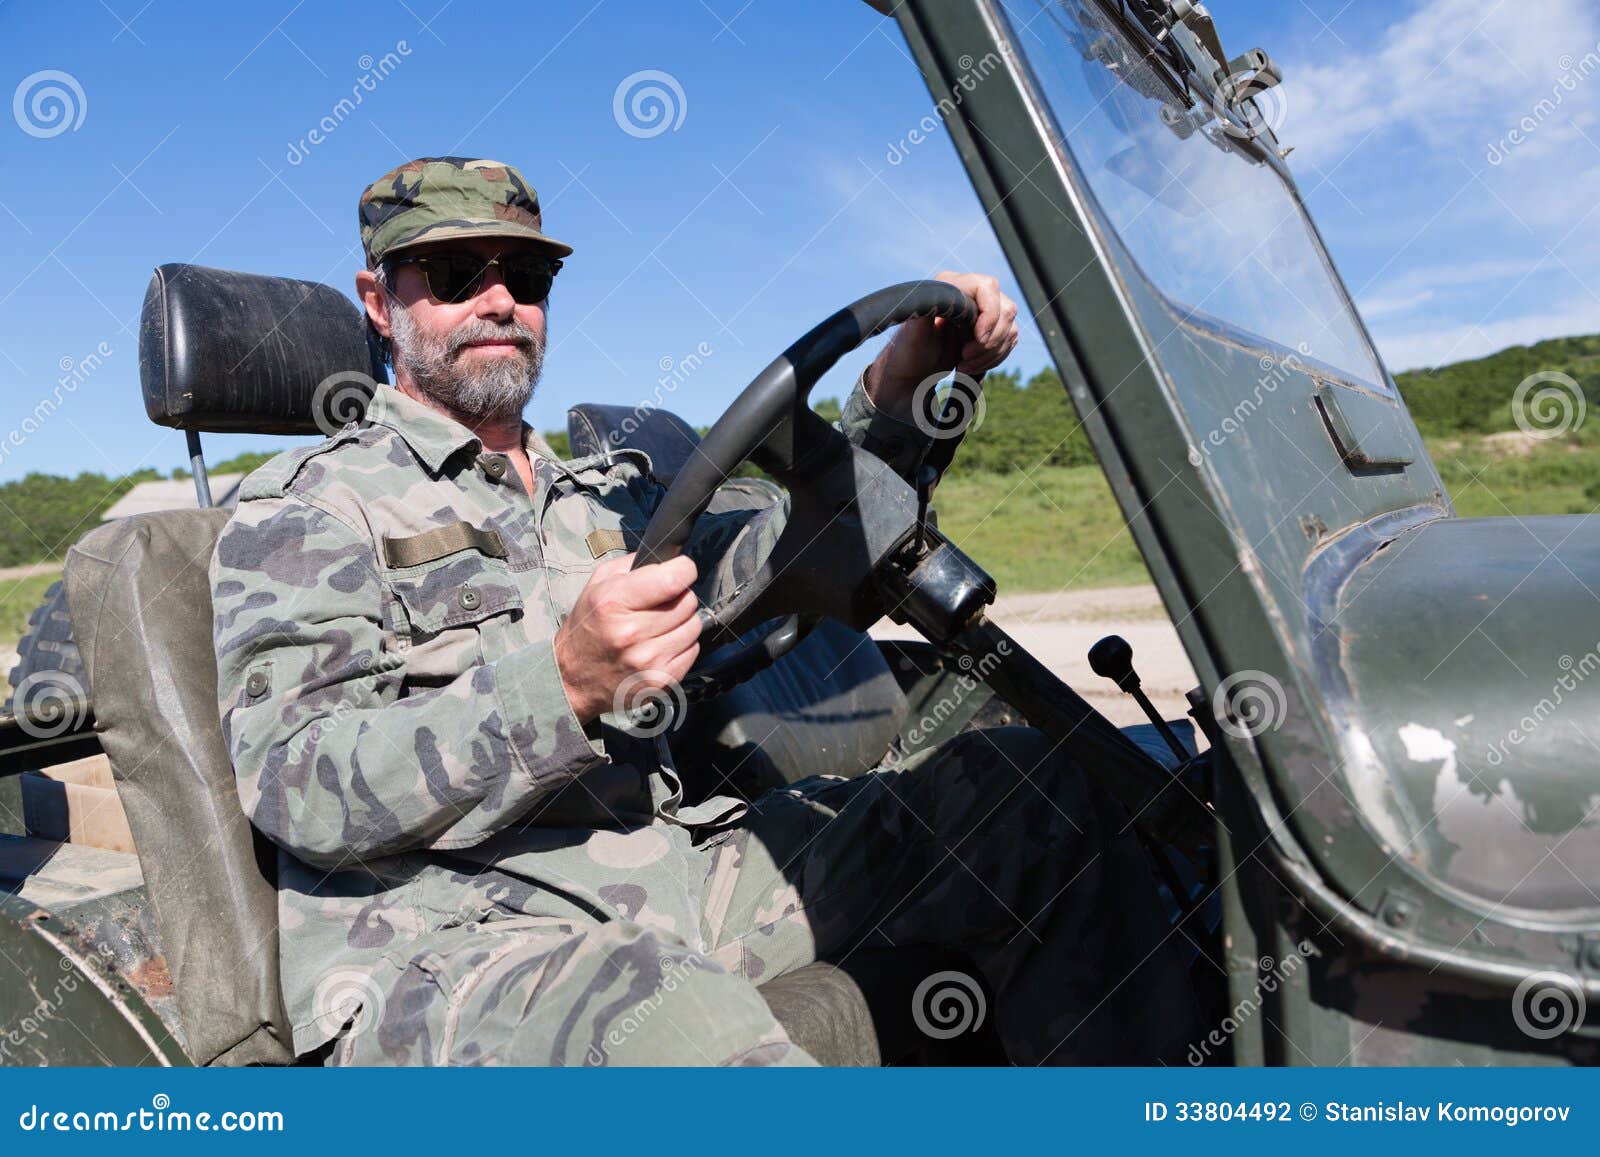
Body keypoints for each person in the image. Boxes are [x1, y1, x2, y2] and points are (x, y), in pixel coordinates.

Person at [210, 155, 1197, 1066]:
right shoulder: (307, 507)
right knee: (664, 1009)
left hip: (667, 869)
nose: (499, 298)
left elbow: (774, 573)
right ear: (379, 301)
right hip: (448, 941)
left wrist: (892, 401)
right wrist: (560, 686)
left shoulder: (602, 495)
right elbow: (298, 781)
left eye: (527, 274)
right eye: (455, 272)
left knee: (1018, 792)